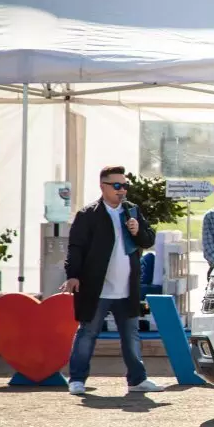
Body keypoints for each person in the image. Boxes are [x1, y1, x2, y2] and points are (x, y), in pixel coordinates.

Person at [60, 166, 160, 396]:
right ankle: (76, 379)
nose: (122, 190)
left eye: (124, 185)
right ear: (102, 186)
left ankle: (137, 379)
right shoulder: (88, 215)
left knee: (131, 335)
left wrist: (137, 230)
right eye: (117, 186)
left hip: (127, 288)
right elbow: (76, 248)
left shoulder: (132, 211)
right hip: (98, 288)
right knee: (87, 333)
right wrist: (73, 275)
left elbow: (148, 238)